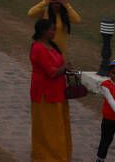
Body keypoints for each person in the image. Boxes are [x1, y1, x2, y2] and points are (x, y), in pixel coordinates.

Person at [30, 18, 73, 162]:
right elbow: (51, 72)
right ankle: (49, 156)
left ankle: (60, 153)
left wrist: (66, 68)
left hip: (57, 90)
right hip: (45, 92)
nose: (54, 32)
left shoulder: (51, 46)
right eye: (52, 30)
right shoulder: (38, 48)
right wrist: (64, 68)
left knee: (58, 124)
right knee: (48, 126)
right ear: (43, 31)